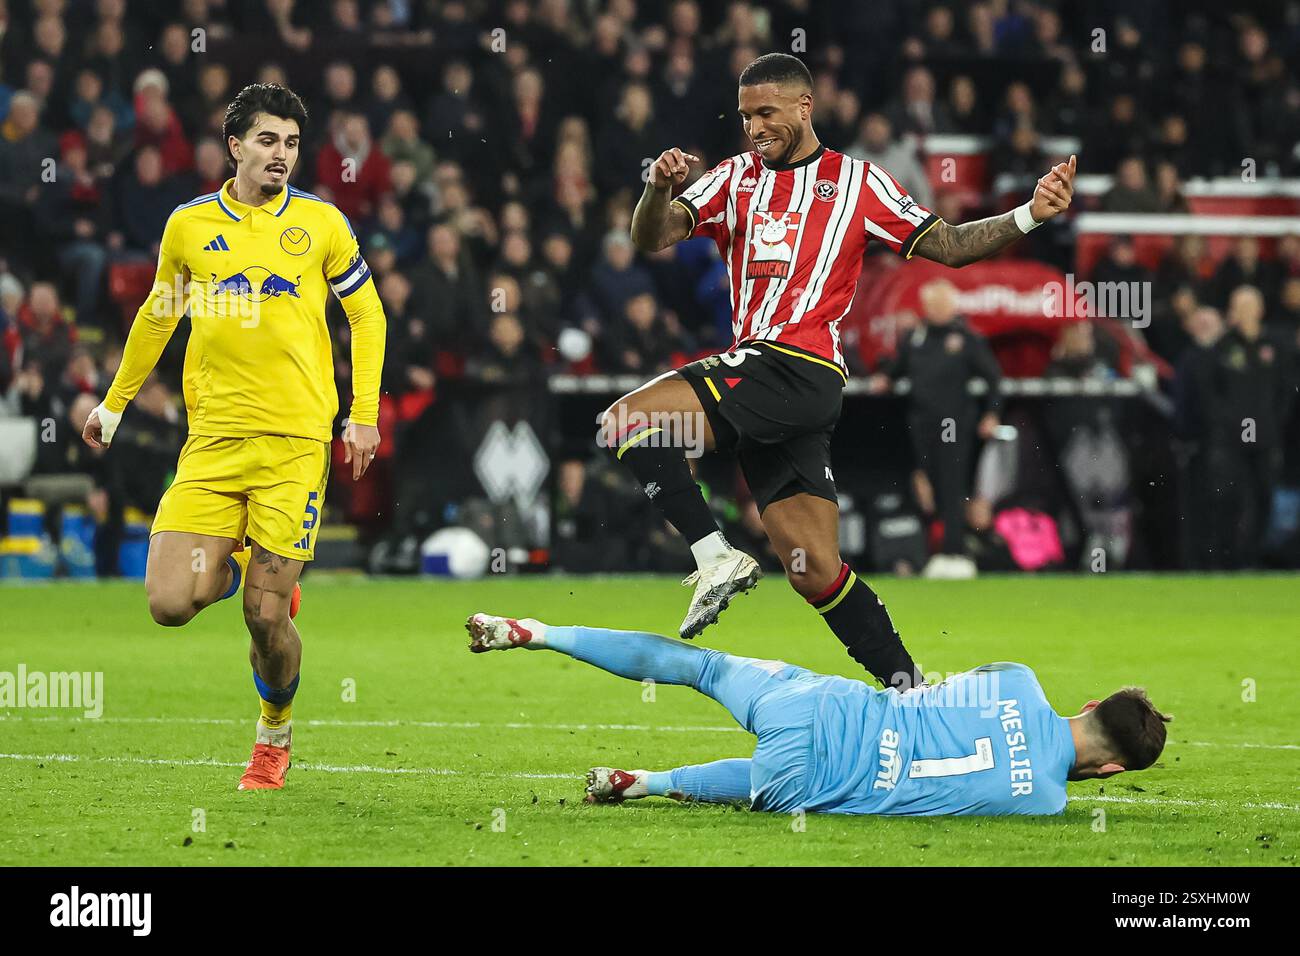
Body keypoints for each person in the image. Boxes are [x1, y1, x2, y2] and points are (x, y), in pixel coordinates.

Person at [617, 52, 1076, 688]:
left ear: (806, 107)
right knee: (814, 569)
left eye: (768, 113)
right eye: (747, 116)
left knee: (626, 421)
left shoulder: (858, 182)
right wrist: (657, 189)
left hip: (796, 365)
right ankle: (909, 686)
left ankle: (712, 554)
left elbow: (945, 245)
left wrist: (1029, 214)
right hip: (774, 382)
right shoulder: (731, 179)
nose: (755, 127)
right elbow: (652, 237)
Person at [80, 84, 387, 790]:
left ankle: (272, 735)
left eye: (291, 143)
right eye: (269, 140)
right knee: (167, 603)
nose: (281, 154)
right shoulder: (188, 227)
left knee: (264, 617)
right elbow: (159, 316)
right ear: (236, 147)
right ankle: (244, 562)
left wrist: (361, 412)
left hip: (293, 445)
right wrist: (115, 406)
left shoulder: (322, 225)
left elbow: (366, 317)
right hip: (213, 443)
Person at [464, 612, 1170, 816]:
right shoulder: (1044, 803)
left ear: (1085, 704)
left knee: (702, 667)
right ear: (1108, 770)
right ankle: (646, 782)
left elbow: (934, 690)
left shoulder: (1017, 680)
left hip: (825, 704)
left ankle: (542, 633)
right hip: (816, 777)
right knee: (761, 780)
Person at [869, 279, 1003, 579]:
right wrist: (885, 378)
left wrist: (992, 414)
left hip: (953, 423)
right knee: (930, 486)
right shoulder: (916, 337)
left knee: (952, 484)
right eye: (932, 304)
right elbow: (898, 367)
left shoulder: (966, 338)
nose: (936, 310)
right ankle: (941, 549)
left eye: (941, 304)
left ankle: (955, 553)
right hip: (921, 421)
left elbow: (994, 377)